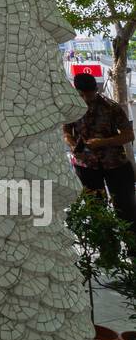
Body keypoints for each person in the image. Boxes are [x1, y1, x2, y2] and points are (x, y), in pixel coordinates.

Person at [63, 74, 136, 240]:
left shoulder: (111, 107)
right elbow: (66, 132)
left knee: (126, 209)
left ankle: (132, 251)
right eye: (84, 95)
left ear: (96, 89)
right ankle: (107, 249)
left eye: (92, 93)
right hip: (86, 166)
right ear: (78, 92)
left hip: (115, 164)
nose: (88, 98)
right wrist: (72, 144)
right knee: (96, 210)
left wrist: (103, 142)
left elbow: (129, 135)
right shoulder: (71, 107)